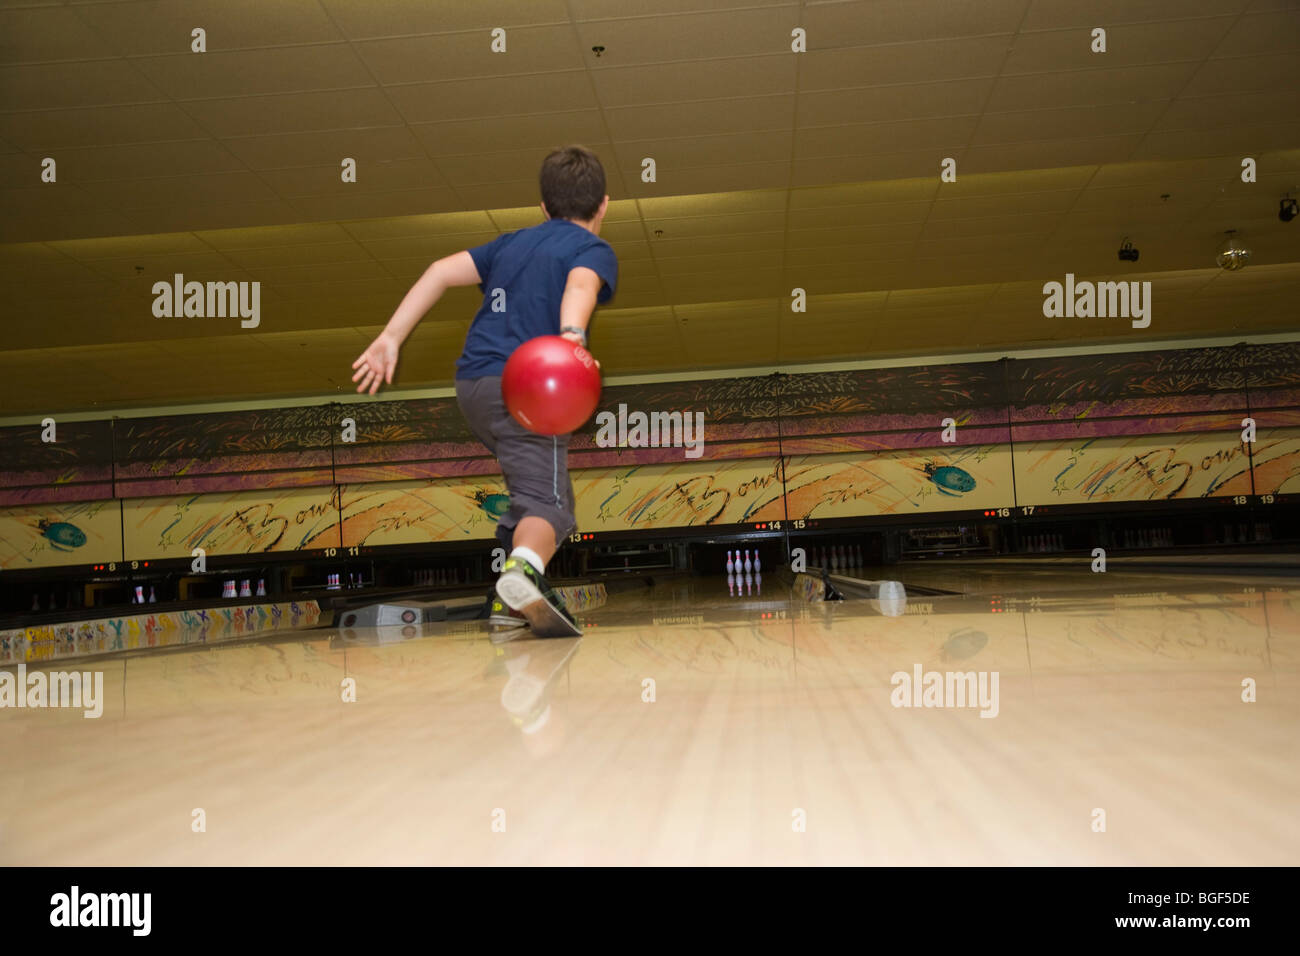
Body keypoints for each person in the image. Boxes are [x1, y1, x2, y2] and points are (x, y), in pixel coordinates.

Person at [351, 145, 618, 635]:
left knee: (527, 489)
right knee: (550, 504)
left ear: (543, 207)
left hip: (473, 385)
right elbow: (580, 286)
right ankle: (519, 572)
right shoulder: (592, 250)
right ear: (603, 204)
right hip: (531, 387)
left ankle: (508, 603)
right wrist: (572, 337)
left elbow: (438, 271)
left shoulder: (509, 243)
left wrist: (391, 337)